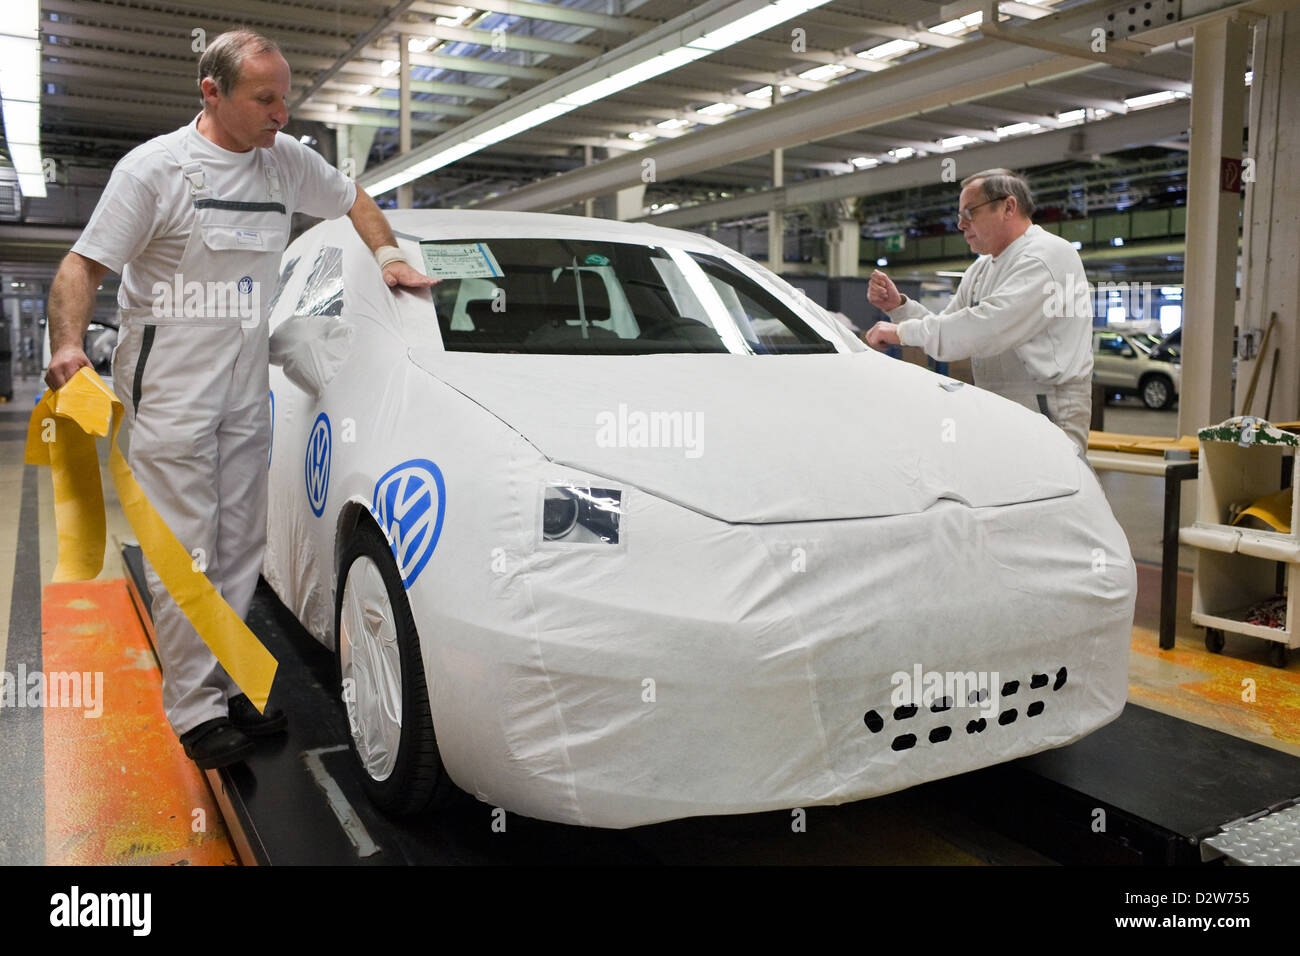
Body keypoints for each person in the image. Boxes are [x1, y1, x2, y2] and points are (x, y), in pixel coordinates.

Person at [43, 29, 435, 769]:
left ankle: (225, 686)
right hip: (171, 383)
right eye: (265, 98)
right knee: (186, 547)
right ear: (212, 92)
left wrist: (387, 257)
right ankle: (194, 712)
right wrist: (67, 346)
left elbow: (352, 195)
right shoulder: (153, 172)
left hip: (243, 380)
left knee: (238, 547)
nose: (281, 113)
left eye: (285, 96)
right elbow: (81, 267)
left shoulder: (285, 164)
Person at [864, 168, 1093, 456]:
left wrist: (903, 332)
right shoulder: (983, 268)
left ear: (1008, 207)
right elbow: (954, 329)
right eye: (959, 216)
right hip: (999, 402)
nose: (961, 225)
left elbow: (988, 327)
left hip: (1046, 405)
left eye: (970, 213)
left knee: (1052, 493)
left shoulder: (1047, 256)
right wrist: (900, 308)